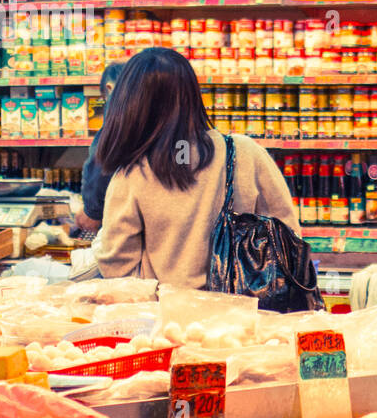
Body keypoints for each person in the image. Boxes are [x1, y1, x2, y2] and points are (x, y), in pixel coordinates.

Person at [94, 48, 299, 288]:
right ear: (193, 95)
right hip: (244, 315)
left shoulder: (132, 174)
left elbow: (117, 269)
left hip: (168, 317)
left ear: (129, 104)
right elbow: (288, 236)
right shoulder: (246, 152)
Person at [75, 60, 127, 233]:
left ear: (110, 88)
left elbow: (102, 161)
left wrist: (92, 211)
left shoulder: (118, 117)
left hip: (119, 220)